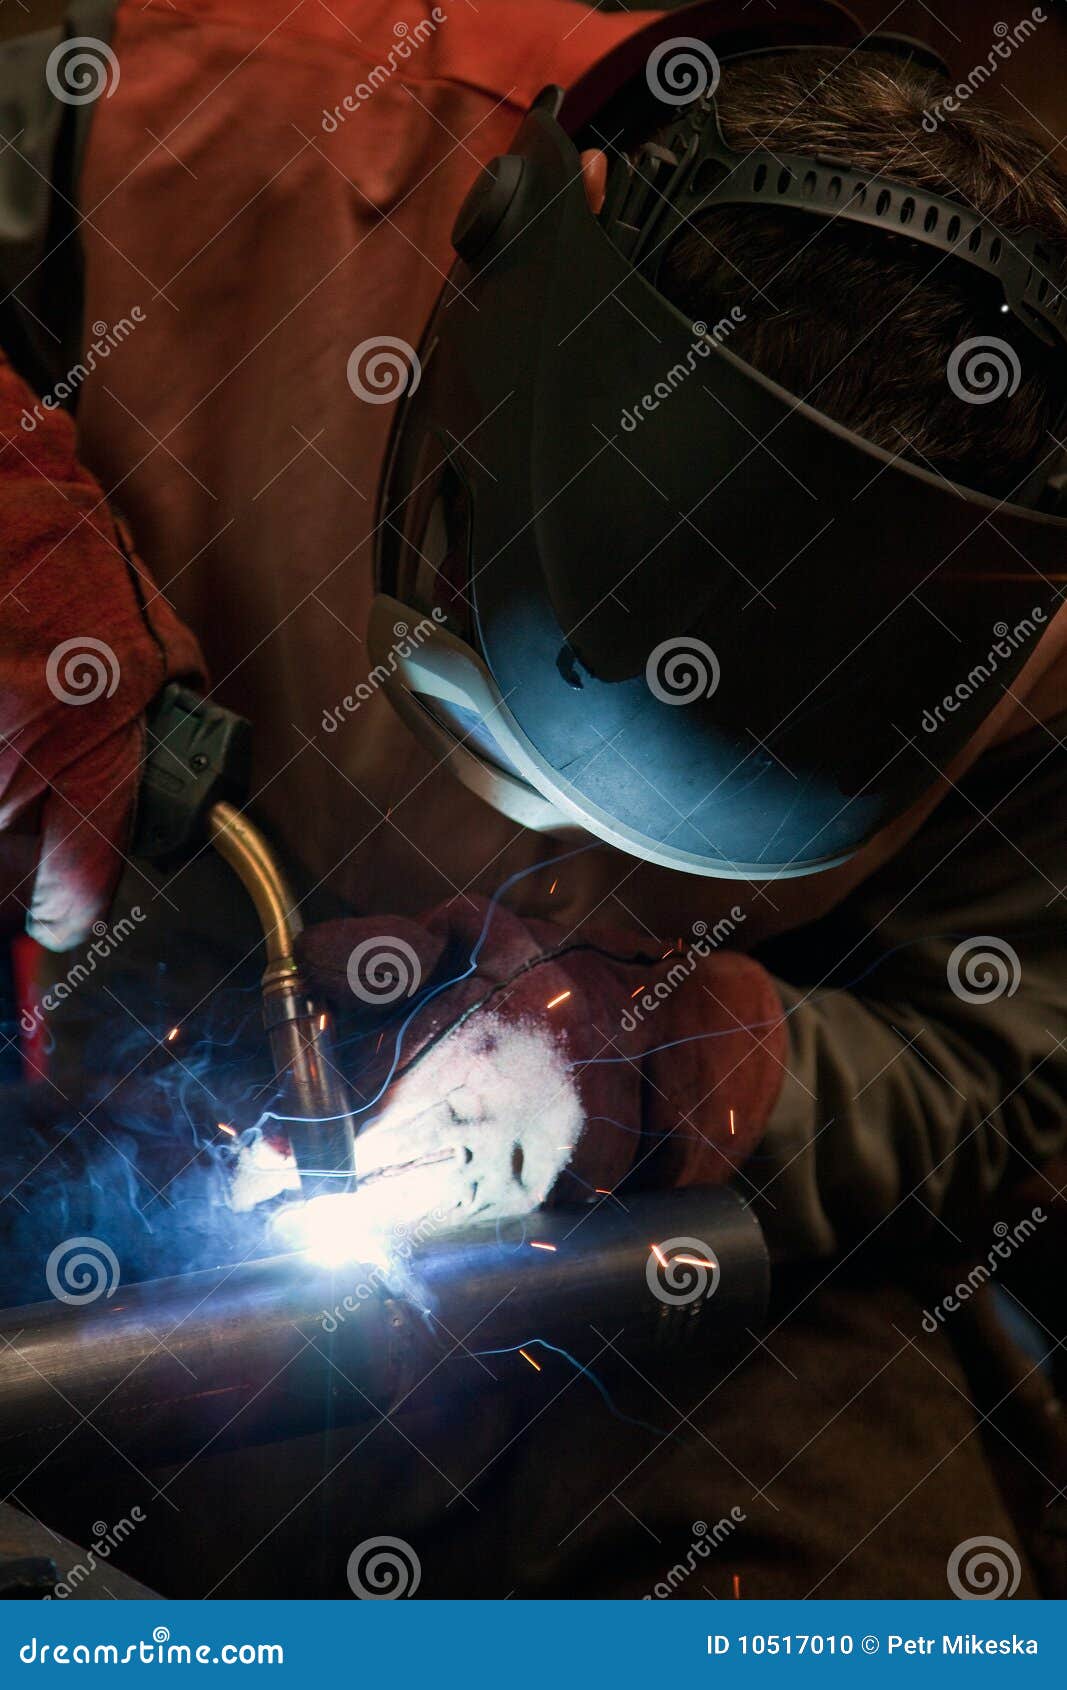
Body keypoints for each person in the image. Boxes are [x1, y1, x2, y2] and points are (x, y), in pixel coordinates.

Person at [0, 0, 1066, 1599]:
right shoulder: (201, 135)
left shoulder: (1035, 598)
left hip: (652, 1266)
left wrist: (696, 1065)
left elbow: (1011, 1054)